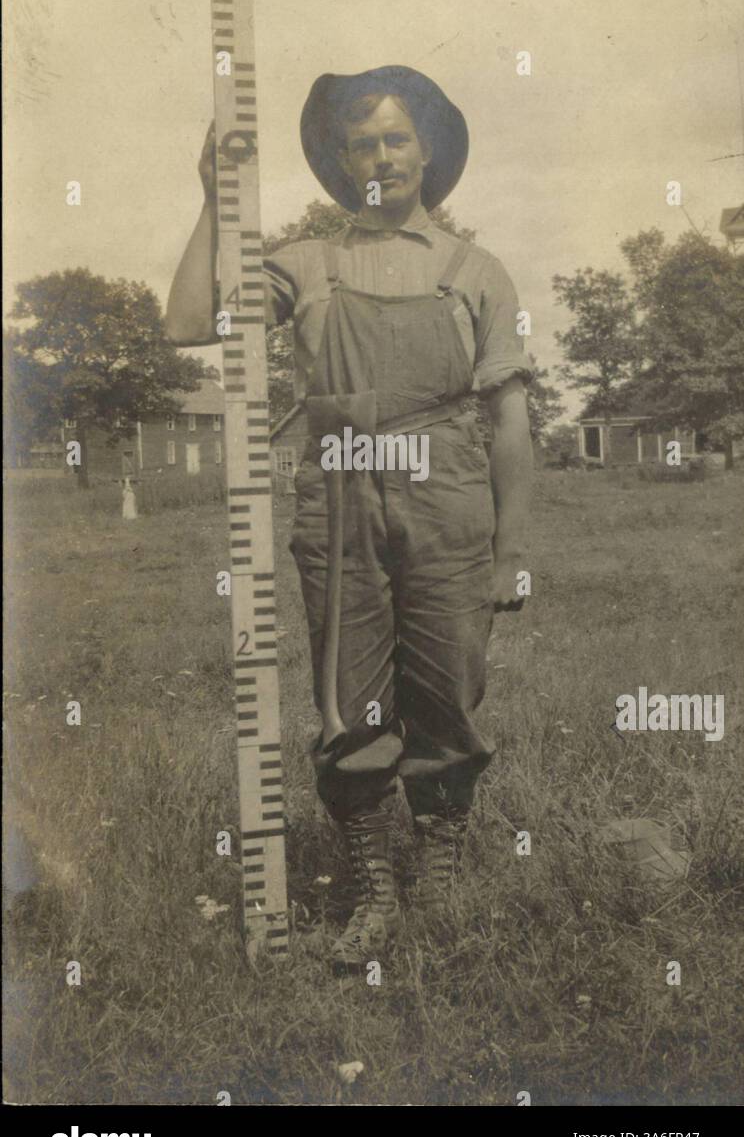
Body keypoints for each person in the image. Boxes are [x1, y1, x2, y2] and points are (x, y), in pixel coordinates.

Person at [167, 65, 533, 970]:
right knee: (351, 698)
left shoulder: (473, 272)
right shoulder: (307, 261)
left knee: (449, 691)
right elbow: (185, 325)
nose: (380, 156)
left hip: (447, 492)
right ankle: (375, 890)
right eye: (361, 140)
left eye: (396, 137)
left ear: (427, 150)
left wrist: (509, 553)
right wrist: (214, 200)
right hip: (338, 494)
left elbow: (511, 425)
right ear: (340, 157)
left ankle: (437, 875)